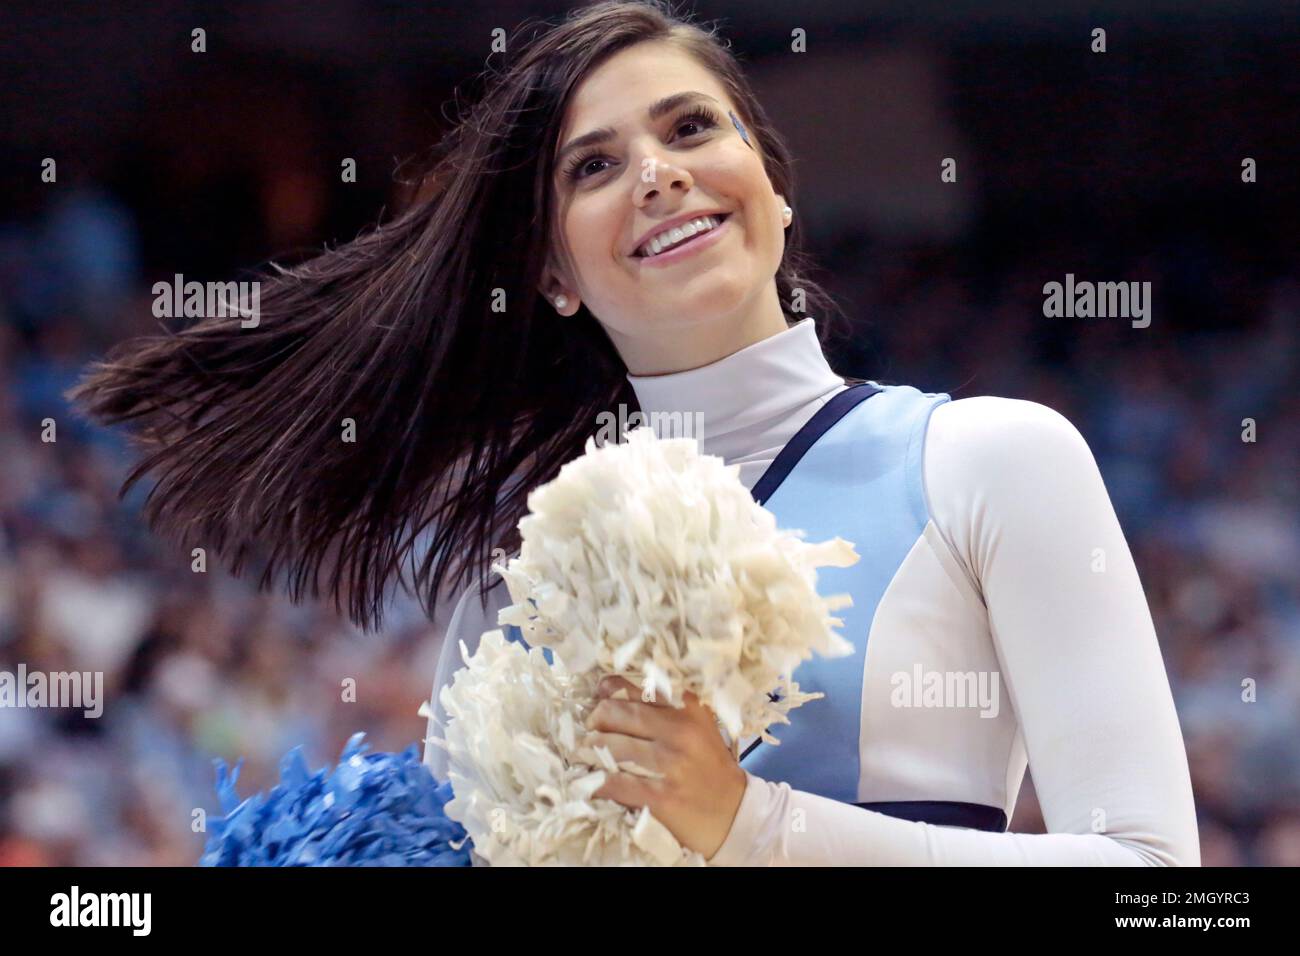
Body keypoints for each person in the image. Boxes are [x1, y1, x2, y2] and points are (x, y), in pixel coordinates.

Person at [70, 0, 1199, 865]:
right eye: (594, 166)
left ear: (772, 180)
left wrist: (751, 824)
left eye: (690, 127)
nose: (656, 174)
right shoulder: (513, 568)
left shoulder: (993, 460)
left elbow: (1162, 885)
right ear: (552, 271)